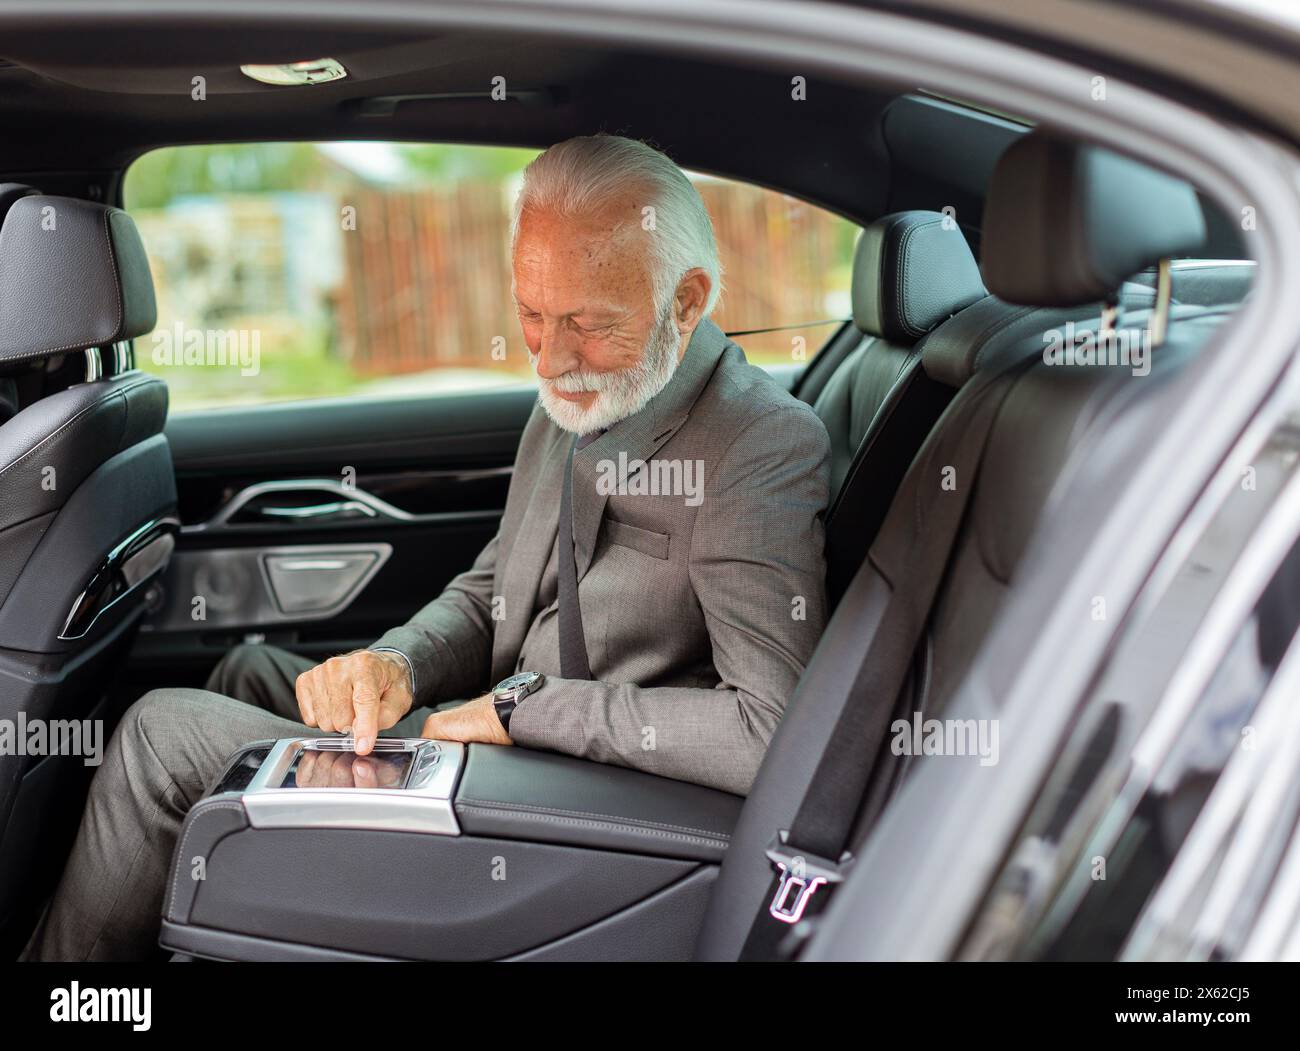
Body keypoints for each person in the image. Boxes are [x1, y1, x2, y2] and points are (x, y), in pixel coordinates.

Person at [25, 134, 830, 961]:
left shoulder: (757, 444)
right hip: (494, 747)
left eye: (589, 324)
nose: (551, 358)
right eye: (530, 315)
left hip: (563, 807)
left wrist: (524, 710)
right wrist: (395, 665)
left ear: (686, 301)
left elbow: (769, 728)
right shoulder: (578, 395)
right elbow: (492, 592)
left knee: (159, 736)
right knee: (255, 669)